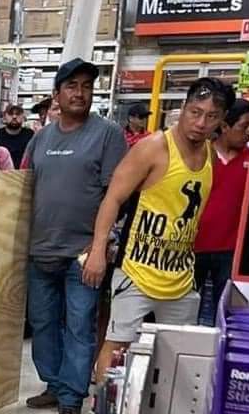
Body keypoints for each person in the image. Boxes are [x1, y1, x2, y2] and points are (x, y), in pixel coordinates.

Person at [83, 78, 232, 373]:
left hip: (179, 276)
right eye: (195, 112)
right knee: (117, 346)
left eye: (211, 116)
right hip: (136, 271)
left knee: (179, 356)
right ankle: (103, 404)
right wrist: (98, 250)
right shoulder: (153, 148)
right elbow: (113, 198)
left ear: (222, 120)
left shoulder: (211, 157)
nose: (201, 123)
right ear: (183, 108)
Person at [22, 58, 128, 414]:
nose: (80, 93)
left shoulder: (107, 135)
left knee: (80, 327)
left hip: (83, 253)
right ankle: (54, 384)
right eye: (72, 86)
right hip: (41, 250)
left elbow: (117, 196)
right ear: (57, 94)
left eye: (86, 86)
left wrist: (101, 246)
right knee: (43, 324)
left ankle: (71, 400)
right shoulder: (41, 138)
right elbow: (23, 189)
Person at [194, 98, 249, 326]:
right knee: (188, 308)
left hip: (231, 251)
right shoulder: (201, 154)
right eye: (244, 126)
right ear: (225, 126)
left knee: (226, 313)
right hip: (193, 247)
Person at [0, 104, 34, 168]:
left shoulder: (30, 135)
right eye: (10, 114)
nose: (14, 117)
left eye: (18, 114)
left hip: (24, 172)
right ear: (4, 117)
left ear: (23, 117)